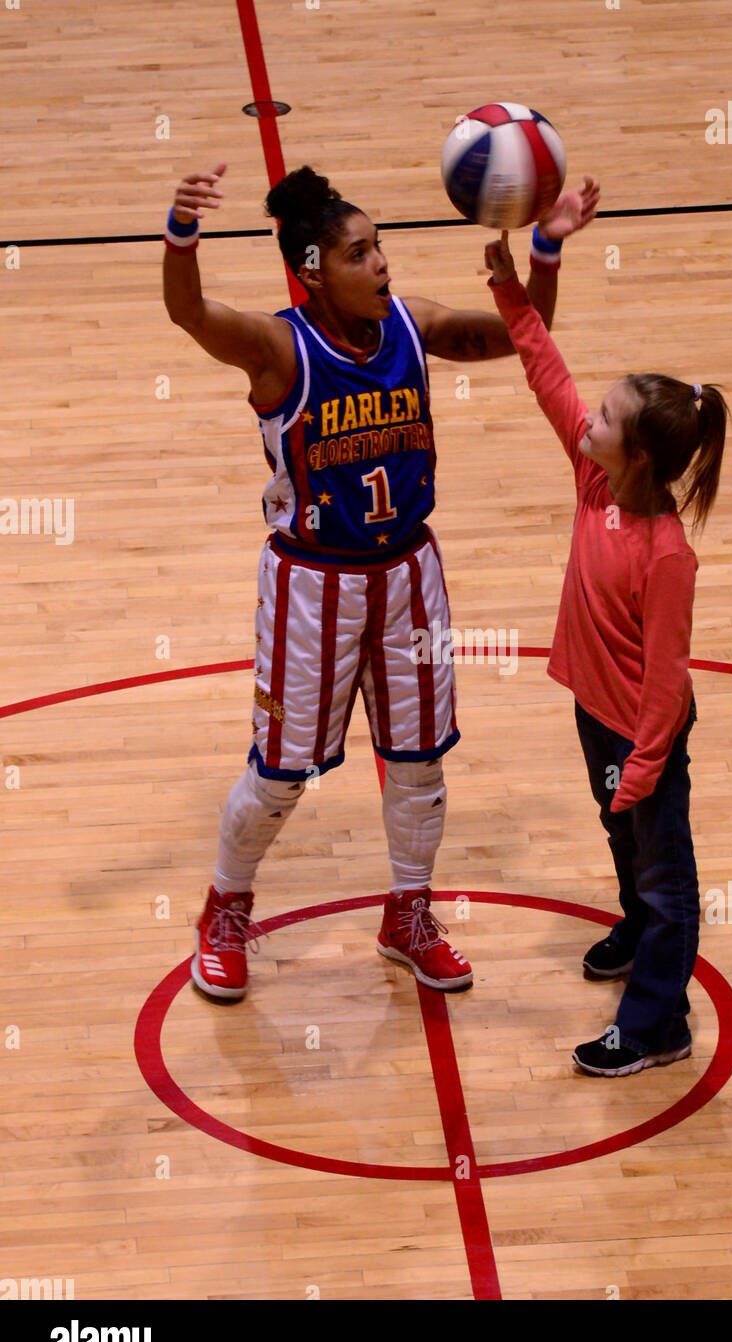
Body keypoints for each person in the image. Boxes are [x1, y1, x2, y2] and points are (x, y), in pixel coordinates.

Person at [162, 160, 600, 1000]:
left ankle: (408, 913)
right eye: (360, 253)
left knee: (420, 763)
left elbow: (522, 334)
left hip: (408, 573)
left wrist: (546, 249)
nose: (382, 264)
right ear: (313, 270)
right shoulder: (278, 347)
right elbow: (188, 312)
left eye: (381, 247)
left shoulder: (412, 322)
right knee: (283, 772)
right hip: (312, 585)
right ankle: (225, 907)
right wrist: (183, 230)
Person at [484, 228, 729, 1076]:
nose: (589, 417)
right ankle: (633, 925)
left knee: (668, 882)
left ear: (641, 456)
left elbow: (668, 680)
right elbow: (550, 379)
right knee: (623, 846)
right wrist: (514, 293)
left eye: (608, 418)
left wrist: (647, 765)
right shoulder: (597, 479)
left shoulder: (667, 555)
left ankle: (658, 1023)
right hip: (596, 713)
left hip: (642, 736)